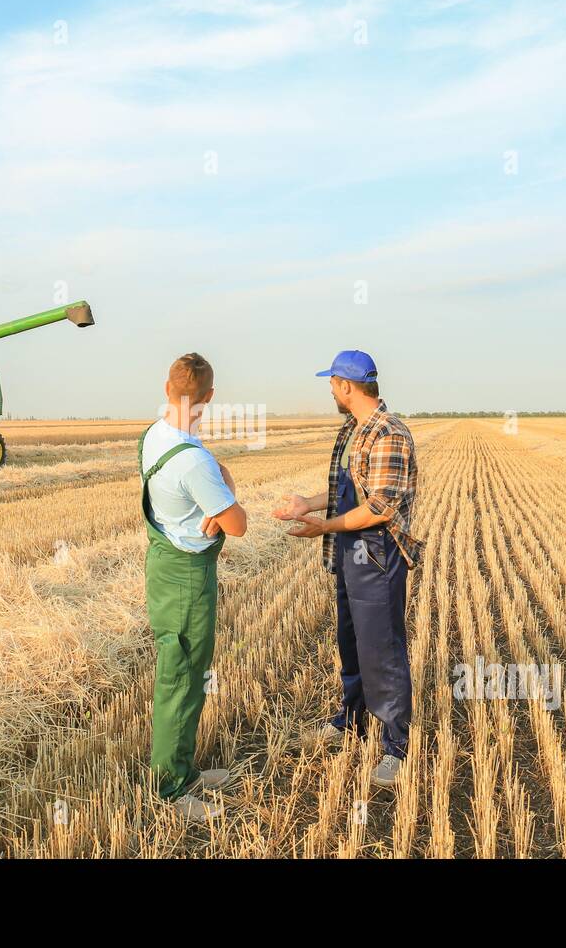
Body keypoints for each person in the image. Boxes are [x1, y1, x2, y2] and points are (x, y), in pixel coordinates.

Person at [273, 350, 422, 789]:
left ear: (347, 386)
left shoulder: (389, 434)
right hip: (349, 550)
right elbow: (347, 490)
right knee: (351, 642)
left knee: (383, 650)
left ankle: (396, 746)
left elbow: (378, 507)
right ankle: (351, 720)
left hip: (377, 552)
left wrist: (326, 526)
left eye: (333, 384)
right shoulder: (352, 429)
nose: (330, 391)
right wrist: (308, 504)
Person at [139, 352, 248, 821]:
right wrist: (225, 487)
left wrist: (214, 486)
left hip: (165, 562)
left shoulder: (157, 435)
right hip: (187, 577)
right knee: (182, 680)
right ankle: (172, 788)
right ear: (209, 399)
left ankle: (183, 767)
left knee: (180, 673)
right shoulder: (195, 461)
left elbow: (209, 490)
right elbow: (238, 524)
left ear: (167, 389)